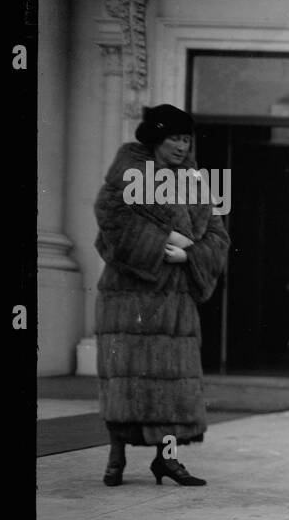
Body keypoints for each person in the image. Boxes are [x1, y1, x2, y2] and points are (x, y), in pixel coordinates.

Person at [94, 103, 230, 487]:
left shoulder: (196, 183)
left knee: (174, 386)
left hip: (174, 297)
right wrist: (162, 240)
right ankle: (115, 457)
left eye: (187, 139)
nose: (182, 146)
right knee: (125, 379)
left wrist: (190, 255)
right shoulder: (128, 173)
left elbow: (218, 235)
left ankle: (166, 461)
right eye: (174, 137)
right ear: (155, 137)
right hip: (128, 295)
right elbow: (111, 218)